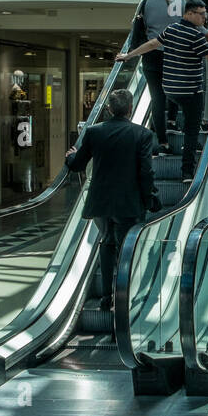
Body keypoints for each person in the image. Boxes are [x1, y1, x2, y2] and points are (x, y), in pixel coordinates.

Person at [116, 0, 208, 182]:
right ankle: (187, 171)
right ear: (189, 14)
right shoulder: (196, 36)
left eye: (204, 14)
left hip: (171, 90)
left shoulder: (172, 29)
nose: (204, 18)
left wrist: (129, 55)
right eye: (200, 14)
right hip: (191, 91)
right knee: (191, 130)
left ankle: (178, 138)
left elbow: (152, 44)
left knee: (184, 118)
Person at [64, 88, 158, 311]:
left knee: (107, 242)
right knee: (126, 249)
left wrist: (70, 157)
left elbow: (77, 164)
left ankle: (107, 297)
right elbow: (145, 171)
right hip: (129, 203)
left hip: (101, 202)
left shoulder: (94, 132)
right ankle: (124, 297)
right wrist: (150, 198)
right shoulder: (142, 134)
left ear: (109, 109)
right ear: (130, 109)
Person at [137, 0, 179, 152]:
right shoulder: (175, 1)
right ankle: (172, 120)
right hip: (173, 53)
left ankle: (162, 141)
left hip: (151, 53)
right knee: (175, 88)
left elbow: (139, 25)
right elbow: (178, 24)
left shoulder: (145, 2)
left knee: (157, 97)